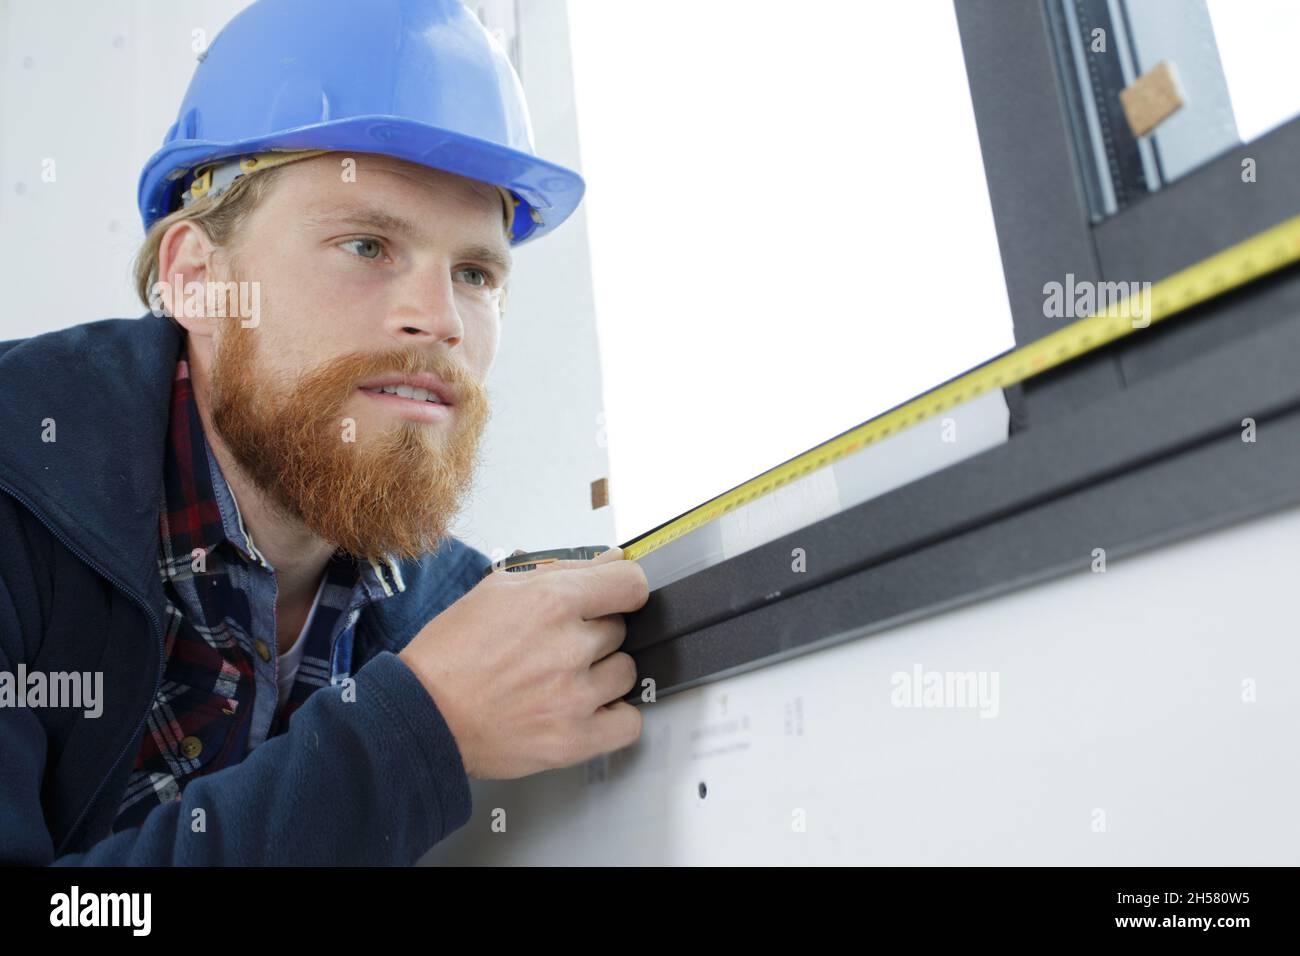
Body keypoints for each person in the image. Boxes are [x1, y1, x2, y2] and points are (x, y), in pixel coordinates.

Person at [0, 0, 646, 865]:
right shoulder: (19, 493)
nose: (441, 317)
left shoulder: (448, 613)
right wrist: (418, 732)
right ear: (195, 279)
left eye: (474, 271)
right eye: (367, 245)